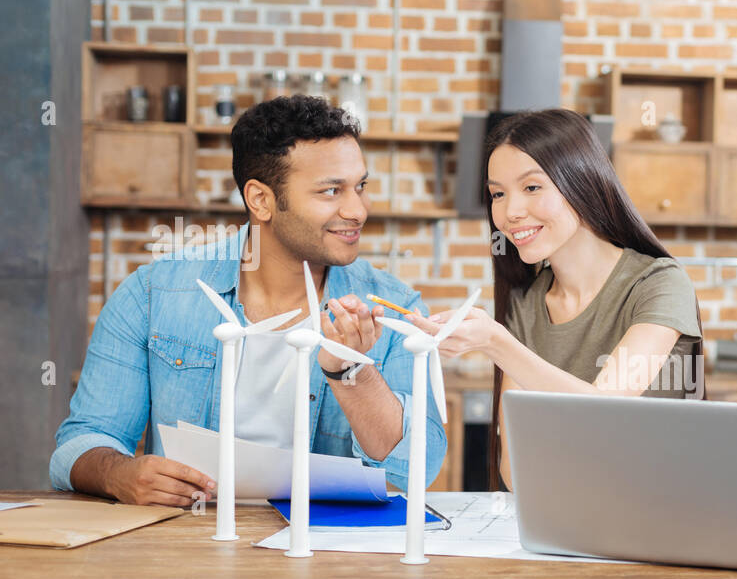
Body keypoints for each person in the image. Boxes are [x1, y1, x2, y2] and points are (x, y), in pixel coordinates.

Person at [51, 95, 446, 505]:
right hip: (186, 543)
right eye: (331, 191)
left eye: (360, 186)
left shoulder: (394, 309)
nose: (358, 209)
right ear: (261, 200)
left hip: (327, 554)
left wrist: (352, 371)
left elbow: (414, 471)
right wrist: (118, 474)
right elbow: (82, 441)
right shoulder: (153, 294)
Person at [403, 108, 705, 491]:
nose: (510, 212)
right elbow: (514, 473)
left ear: (581, 181)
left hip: (657, 517)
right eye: (498, 193)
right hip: (563, 522)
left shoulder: (658, 284)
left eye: (532, 187)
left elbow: (606, 410)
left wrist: (495, 342)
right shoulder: (526, 306)